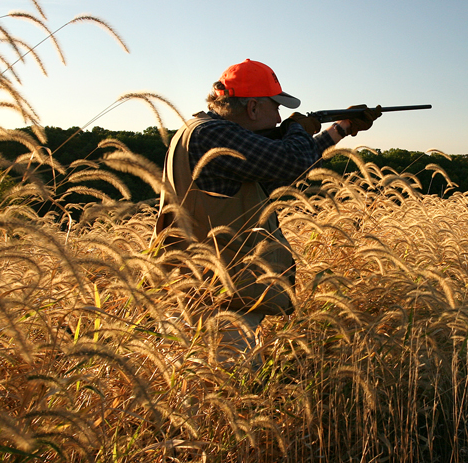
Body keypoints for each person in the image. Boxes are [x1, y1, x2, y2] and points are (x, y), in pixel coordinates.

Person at [153, 58, 379, 321]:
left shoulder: (198, 130)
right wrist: (296, 127)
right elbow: (293, 160)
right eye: (277, 108)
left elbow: (283, 169)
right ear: (253, 107)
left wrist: (342, 128)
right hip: (215, 304)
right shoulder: (211, 134)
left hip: (208, 294)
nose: (280, 118)